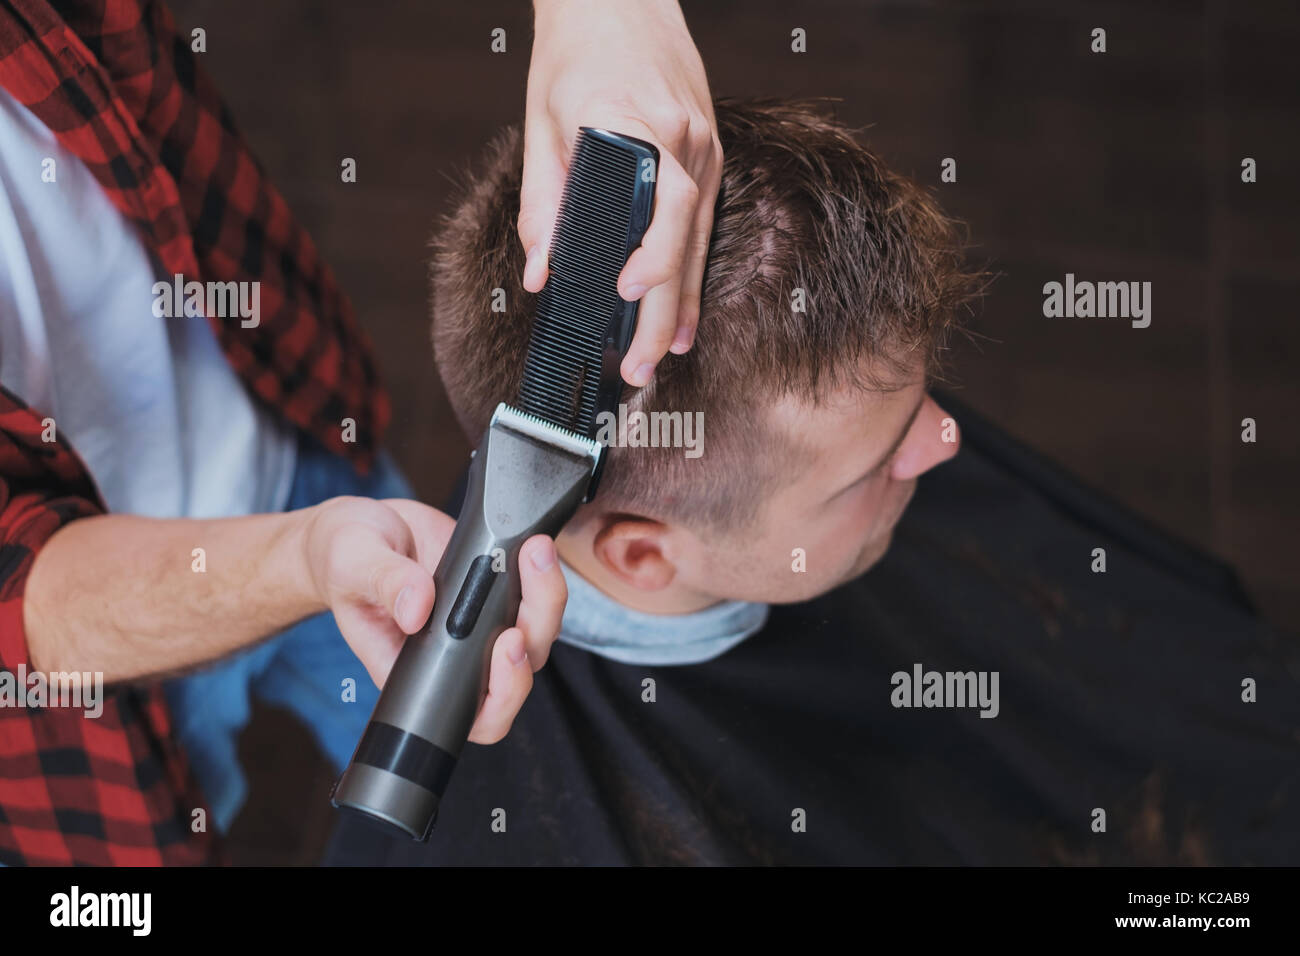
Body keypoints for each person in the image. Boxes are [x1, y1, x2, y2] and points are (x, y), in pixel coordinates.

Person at [325, 98, 1300, 865]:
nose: (948, 440)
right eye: (876, 463)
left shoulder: (819, 409)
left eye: (920, 398)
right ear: (643, 556)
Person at [0, 0, 718, 865]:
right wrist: (306, 559)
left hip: (300, 438)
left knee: (471, 799)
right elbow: (20, 603)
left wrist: (607, 18)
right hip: (71, 697)